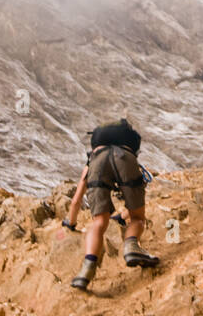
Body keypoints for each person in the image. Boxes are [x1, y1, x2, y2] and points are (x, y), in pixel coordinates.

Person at [62, 118, 159, 290]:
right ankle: (131, 247)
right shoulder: (129, 150)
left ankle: (87, 270)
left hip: (98, 164)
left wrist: (70, 223)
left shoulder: (92, 158)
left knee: (99, 223)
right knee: (137, 218)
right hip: (125, 159)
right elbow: (135, 203)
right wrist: (126, 215)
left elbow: (77, 199)